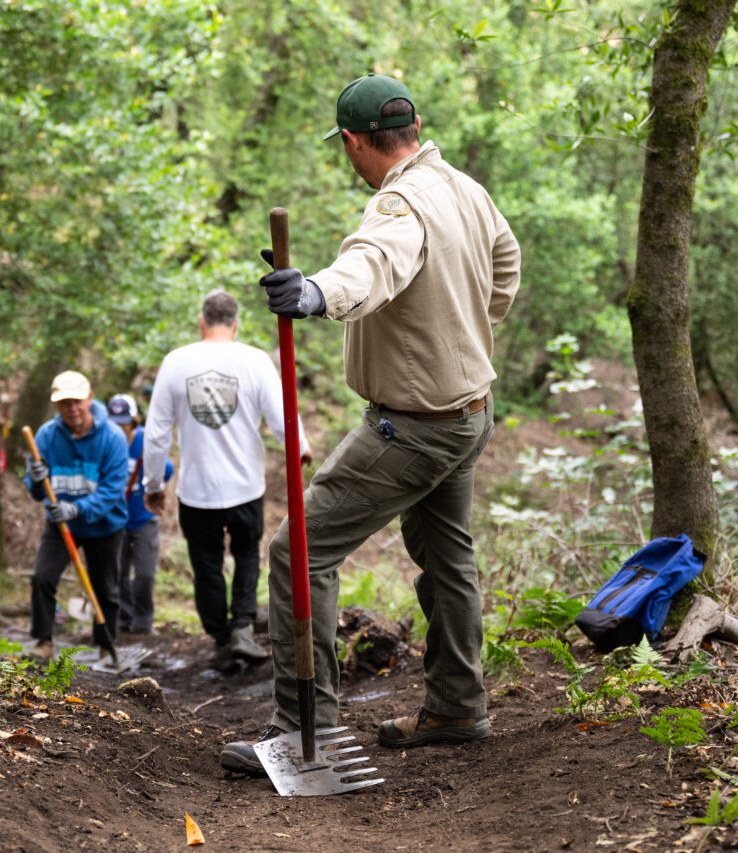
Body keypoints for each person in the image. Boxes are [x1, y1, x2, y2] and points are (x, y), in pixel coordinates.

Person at [220, 74, 521, 775]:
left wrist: (317, 291)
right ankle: (455, 705)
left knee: (298, 550)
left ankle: (306, 731)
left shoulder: (400, 203)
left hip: (414, 427)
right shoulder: (465, 189)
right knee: (447, 555)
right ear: (413, 129)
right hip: (469, 411)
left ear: (355, 142)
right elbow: (505, 266)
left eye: (345, 148)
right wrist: (470, 330)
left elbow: (373, 262)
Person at [143, 290, 310, 670]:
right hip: (245, 485)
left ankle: (222, 640)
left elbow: (155, 434)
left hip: (197, 489)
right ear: (235, 324)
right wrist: (298, 448)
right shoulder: (254, 360)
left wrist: (153, 486)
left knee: (206, 564)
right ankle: (241, 631)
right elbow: (283, 412)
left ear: (202, 322)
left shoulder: (175, 362)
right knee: (248, 555)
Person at [25, 371, 129, 658]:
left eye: (77, 401)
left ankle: (106, 645)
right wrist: (35, 478)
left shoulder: (113, 438)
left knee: (105, 588)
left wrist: (77, 508)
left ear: (90, 398)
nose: (72, 408)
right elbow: (35, 491)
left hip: (105, 525)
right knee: (42, 578)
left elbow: (111, 492)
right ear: (57, 406)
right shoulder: (46, 436)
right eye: (64, 403)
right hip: (60, 523)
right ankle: (43, 641)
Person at [107, 393, 173, 635]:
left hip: (144, 518)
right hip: (115, 519)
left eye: (124, 422)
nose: (119, 428)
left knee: (144, 574)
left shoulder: (146, 440)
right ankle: (123, 619)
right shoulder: (104, 442)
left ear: (134, 421)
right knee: (118, 573)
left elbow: (167, 470)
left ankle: (144, 621)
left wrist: (151, 476)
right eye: (114, 423)